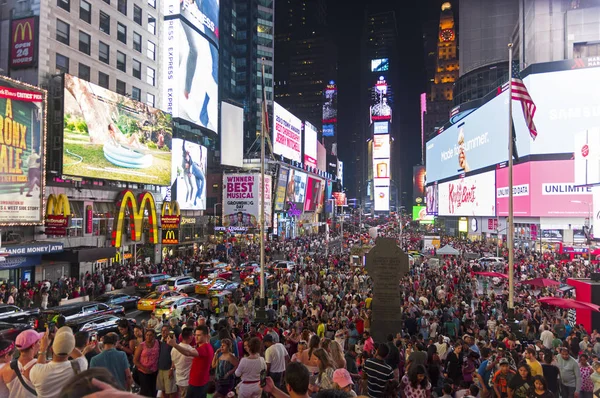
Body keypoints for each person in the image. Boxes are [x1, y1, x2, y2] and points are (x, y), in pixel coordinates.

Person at [30, 326, 89, 398]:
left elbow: (39, 366)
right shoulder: (80, 365)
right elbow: (80, 356)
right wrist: (66, 340)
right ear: (70, 351)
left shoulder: (36, 371)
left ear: (51, 349)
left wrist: (43, 348)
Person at [167, 325, 214, 398]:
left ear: (205, 336)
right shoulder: (207, 346)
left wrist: (175, 345)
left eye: (199, 335)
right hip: (200, 382)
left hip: (197, 383)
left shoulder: (204, 348)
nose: (196, 337)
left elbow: (188, 353)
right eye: (195, 335)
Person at [2, 329, 42, 398]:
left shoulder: (4, 369)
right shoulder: (41, 367)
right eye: (39, 342)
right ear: (33, 345)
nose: (40, 345)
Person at [133, 328, 159, 397]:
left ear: (154, 336)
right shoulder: (141, 345)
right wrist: (144, 369)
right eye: (147, 335)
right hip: (143, 372)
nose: (148, 337)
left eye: (150, 335)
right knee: (145, 391)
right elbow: (135, 360)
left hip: (154, 371)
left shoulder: (157, 343)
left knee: (154, 390)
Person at [171, 327, 194, 398]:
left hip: (178, 378)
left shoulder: (174, 348)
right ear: (190, 337)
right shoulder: (191, 350)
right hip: (187, 380)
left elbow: (173, 363)